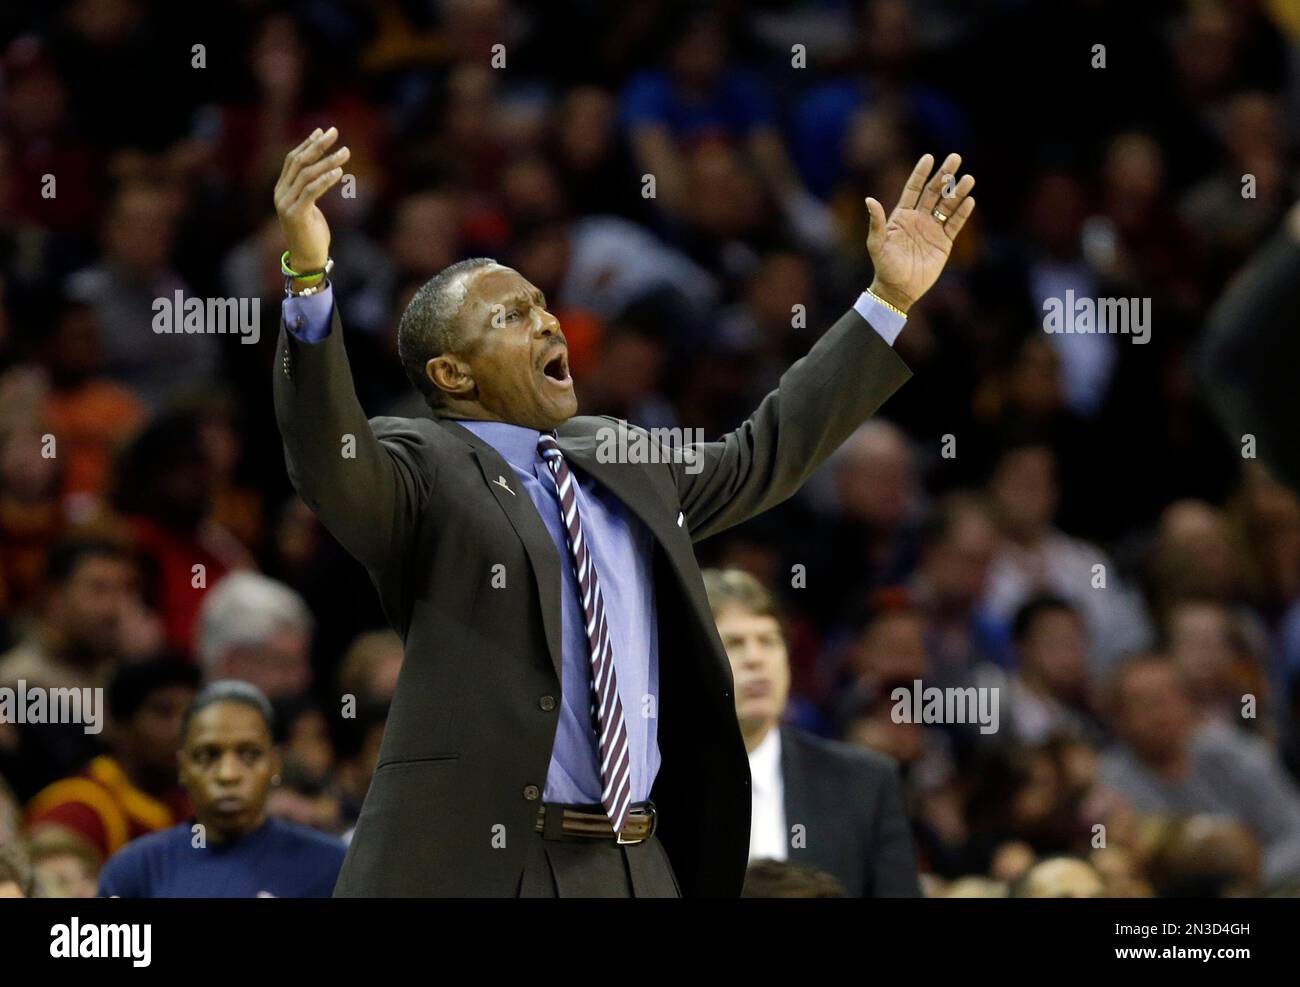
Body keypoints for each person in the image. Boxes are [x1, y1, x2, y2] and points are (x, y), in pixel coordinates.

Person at [273, 125, 975, 896]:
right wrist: (309, 279)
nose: (546, 320)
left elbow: (761, 453)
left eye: (542, 304)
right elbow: (329, 460)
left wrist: (888, 301)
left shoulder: (614, 450)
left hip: (637, 858)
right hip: (484, 862)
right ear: (452, 372)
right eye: (509, 316)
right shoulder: (421, 461)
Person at [704, 567, 921, 897]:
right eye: (733, 644)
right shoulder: (649, 787)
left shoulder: (865, 782)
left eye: (769, 641)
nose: (756, 659)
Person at [98, 681, 345, 898]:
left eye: (249, 755)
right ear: (183, 767)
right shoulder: (136, 870)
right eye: (207, 755)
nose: (228, 774)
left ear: (274, 764)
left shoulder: (333, 867)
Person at [24, 658, 199, 861]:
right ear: (120, 725)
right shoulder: (76, 812)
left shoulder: (190, 804)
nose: (180, 730)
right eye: (163, 713)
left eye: (190, 714)